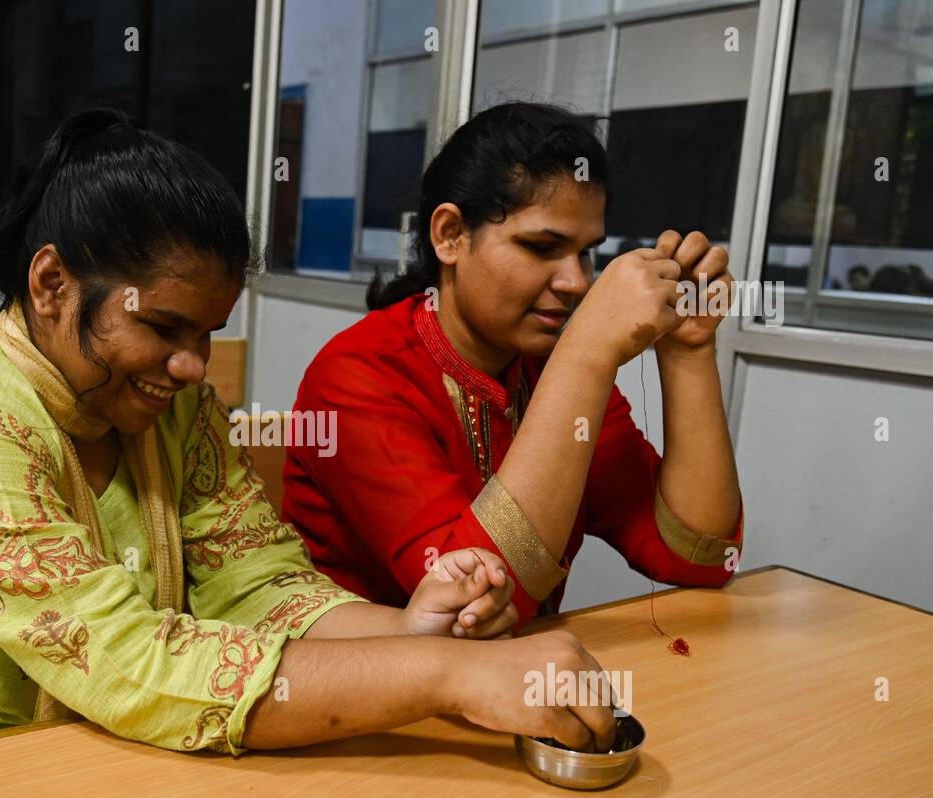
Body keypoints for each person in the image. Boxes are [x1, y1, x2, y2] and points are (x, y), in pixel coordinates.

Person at [0, 109, 620, 772]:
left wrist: (411, 629)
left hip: (70, 769)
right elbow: (126, 661)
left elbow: (259, 583)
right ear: (52, 283)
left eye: (208, 333)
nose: (192, 365)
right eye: (166, 326)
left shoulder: (169, 406)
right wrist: (451, 677)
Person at [284, 102, 744, 629]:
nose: (575, 282)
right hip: (375, 696)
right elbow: (466, 611)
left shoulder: (552, 366)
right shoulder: (355, 377)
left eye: (586, 253)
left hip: (506, 682)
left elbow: (698, 556)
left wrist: (688, 352)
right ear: (451, 235)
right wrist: (588, 351)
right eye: (542, 246)